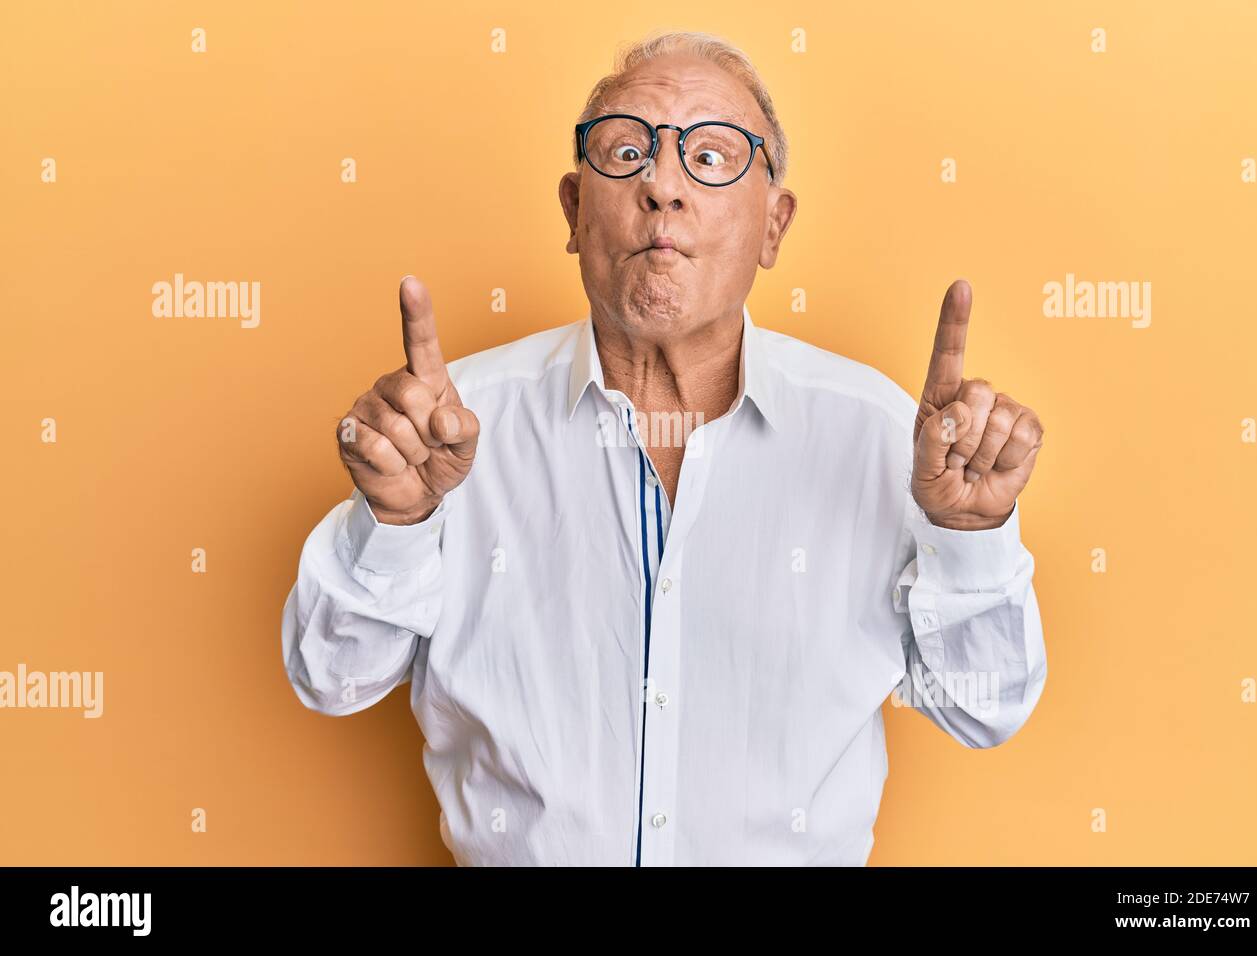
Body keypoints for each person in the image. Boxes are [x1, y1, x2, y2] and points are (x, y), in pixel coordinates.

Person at [282, 31, 1047, 866]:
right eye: (626, 151)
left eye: (713, 156)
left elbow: (984, 710)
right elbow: (333, 681)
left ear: (773, 224)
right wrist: (393, 524)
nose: (663, 187)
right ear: (575, 210)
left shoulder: (878, 435)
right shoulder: (451, 427)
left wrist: (968, 540)